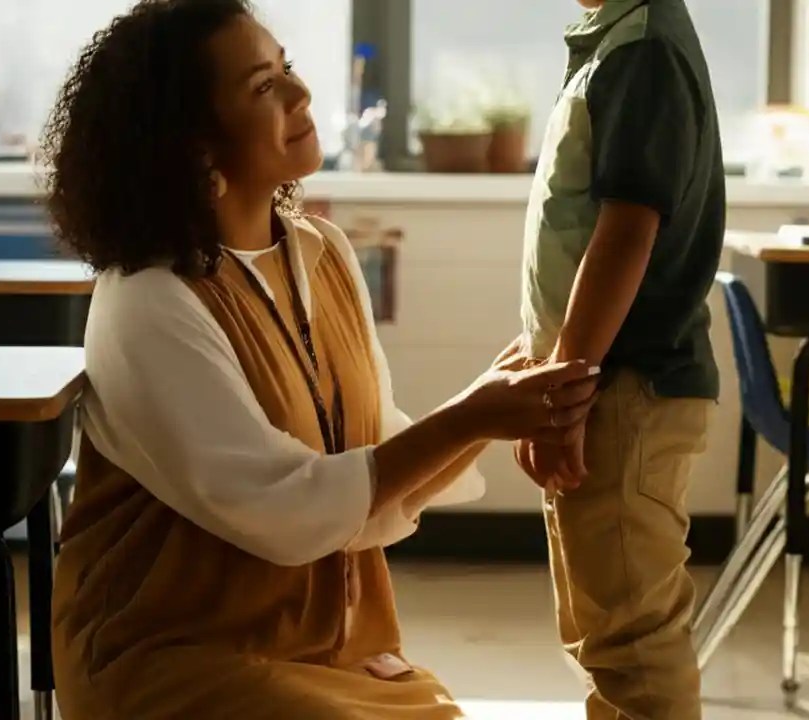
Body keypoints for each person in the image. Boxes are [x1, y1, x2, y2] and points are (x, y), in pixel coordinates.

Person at [42, 1, 600, 718]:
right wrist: (473, 417)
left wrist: (496, 407)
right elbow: (287, 510)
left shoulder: (323, 253)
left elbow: (365, 472)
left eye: (287, 70)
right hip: (172, 657)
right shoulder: (148, 301)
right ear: (193, 146)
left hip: (326, 651)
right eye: (261, 87)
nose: (300, 95)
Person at [514, 0, 726, 717]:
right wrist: (542, 361)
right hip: (599, 383)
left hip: (623, 389)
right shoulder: (617, 42)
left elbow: (627, 231)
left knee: (633, 646)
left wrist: (565, 386)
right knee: (604, 637)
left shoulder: (643, 52)